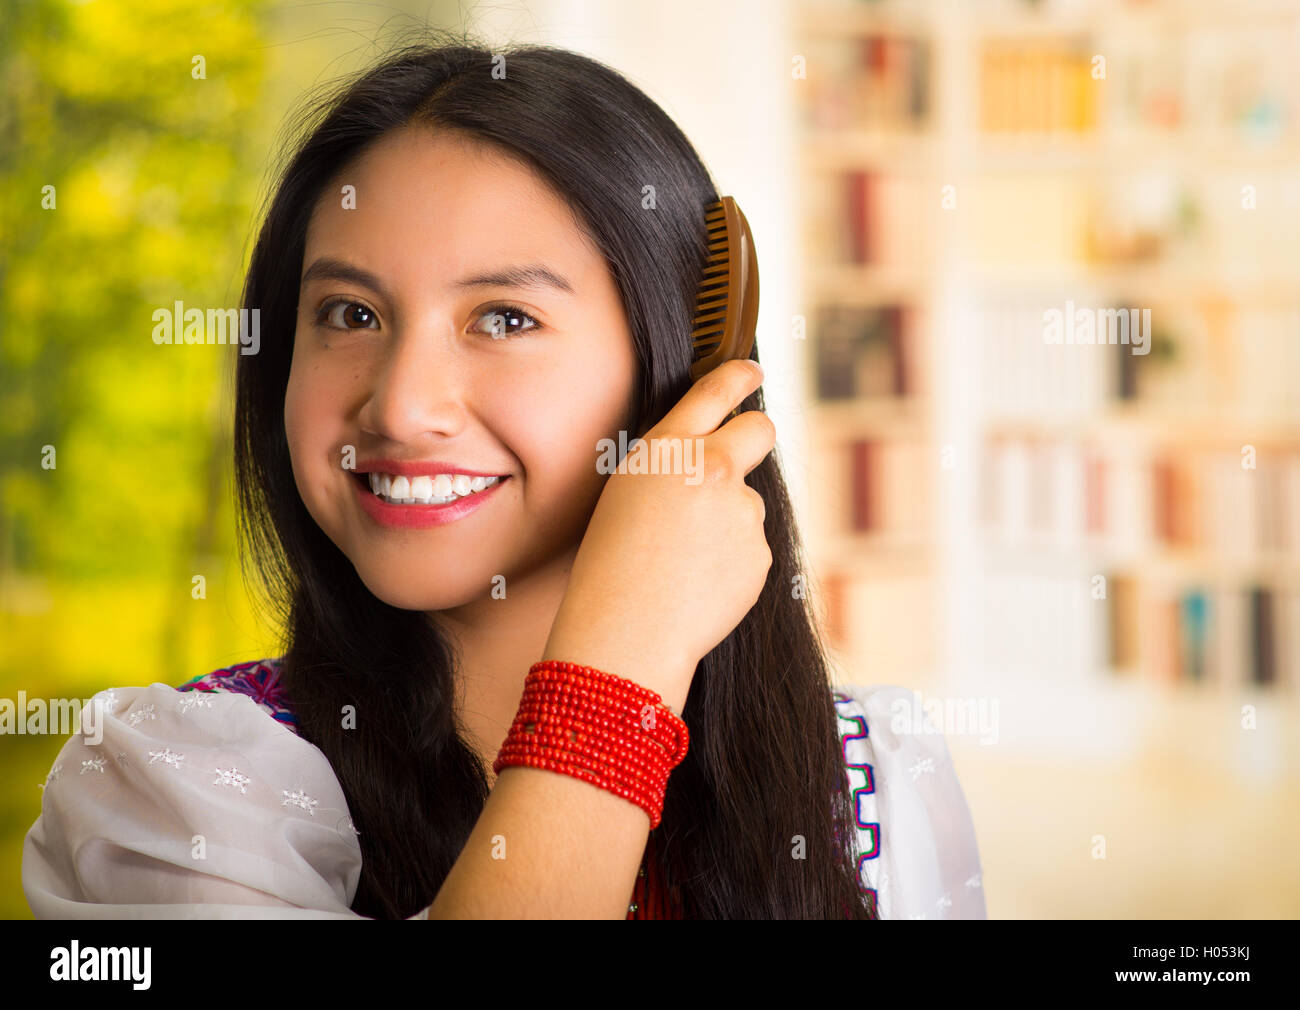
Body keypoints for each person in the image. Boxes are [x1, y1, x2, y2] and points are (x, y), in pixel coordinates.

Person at [22, 33, 985, 920]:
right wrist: (622, 660)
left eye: (505, 319)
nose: (401, 408)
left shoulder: (876, 785)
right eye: (350, 315)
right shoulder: (178, 789)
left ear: (681, 373)